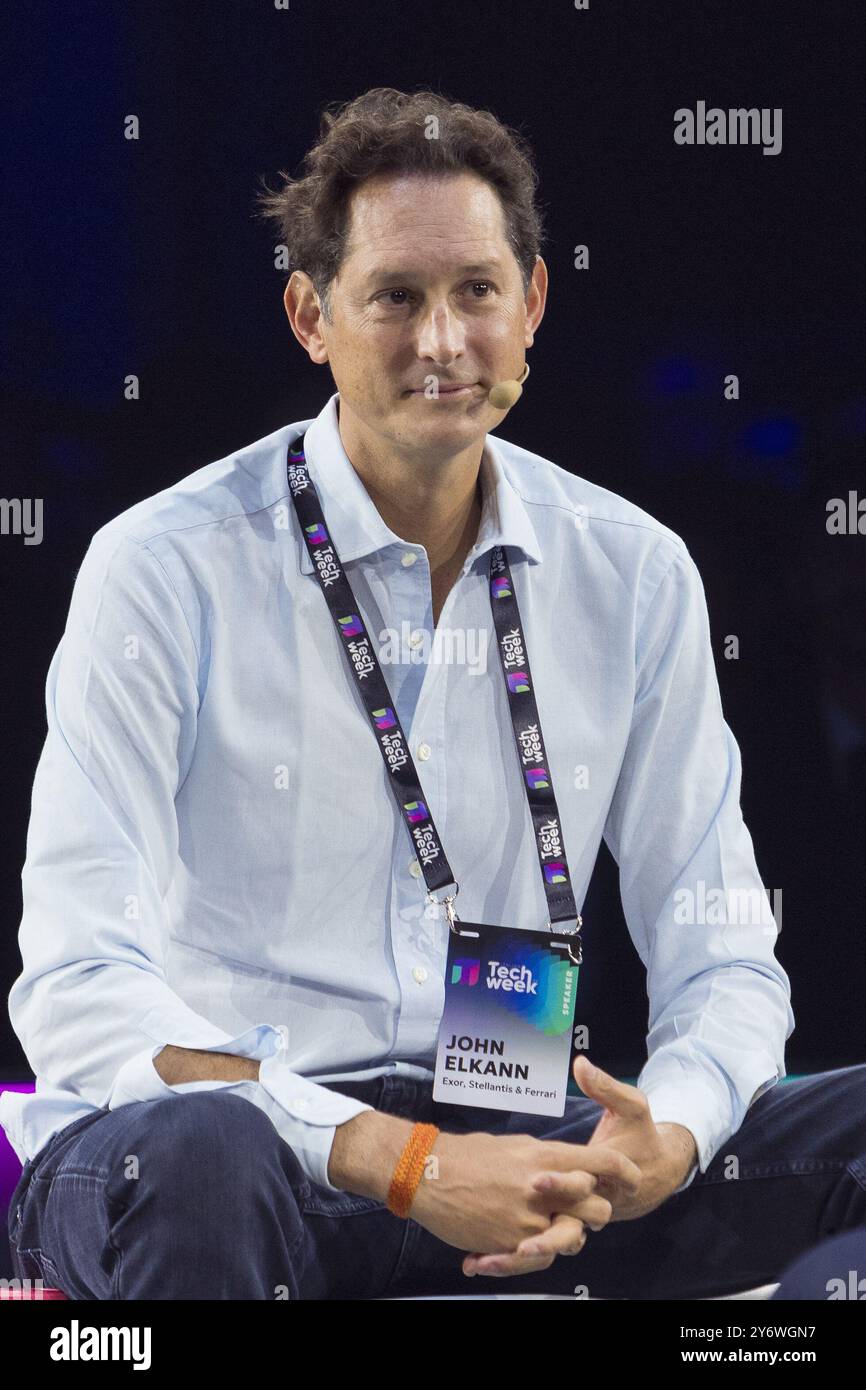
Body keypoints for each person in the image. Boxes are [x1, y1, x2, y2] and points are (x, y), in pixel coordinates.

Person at [3, 87, 865, 1301]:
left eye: (474, 291)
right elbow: (79, 989)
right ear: (311, 314)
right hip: (258, 1153)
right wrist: (399, 1159)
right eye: (394, 297)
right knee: (204, 1153)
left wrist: (658, 1136)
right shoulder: (164, 567)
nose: (443, 341)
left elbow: (722, 952)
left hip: (513, 1146)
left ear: (533, 303)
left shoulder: (629, 568)